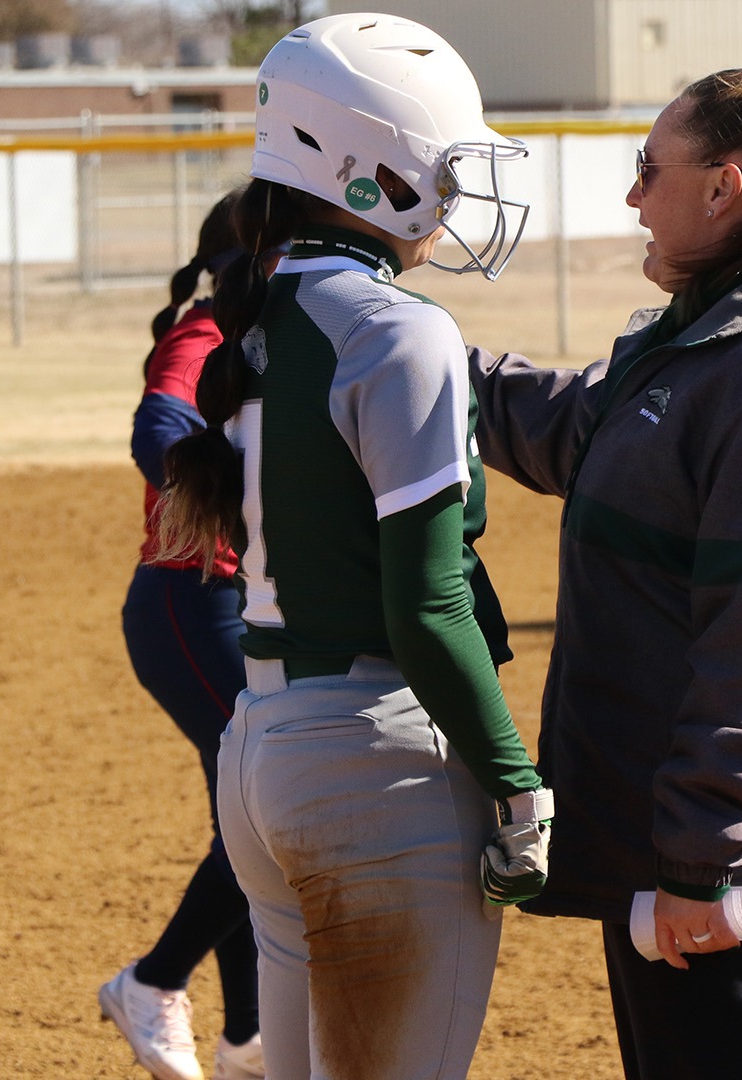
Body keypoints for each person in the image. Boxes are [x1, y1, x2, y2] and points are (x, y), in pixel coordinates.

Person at [468, 47, 742, 1079]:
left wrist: (706, 858)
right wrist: (392, 347)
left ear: (727, 187)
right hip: (678, 850)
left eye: (648, 166)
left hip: (734, 879)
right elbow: (565, 424)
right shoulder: (709, 345)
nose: (631, 196)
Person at [152, 14, 550, 1079]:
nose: (458, 196)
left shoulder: (258, 312)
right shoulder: (395, 328)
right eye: (440, 166)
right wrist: (517, 782)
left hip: (263, 748)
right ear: (365, 166)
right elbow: (429, 604)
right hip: (375, 761)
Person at [99, 191, 264, 1080]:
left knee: (239, 816)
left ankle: (246, 1038)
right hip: (186, 605)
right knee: (262, 804)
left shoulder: (254, 336)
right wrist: (226, 485)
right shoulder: (205, 335)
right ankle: (153, 983)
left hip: (223, 608)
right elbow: (158, 425)